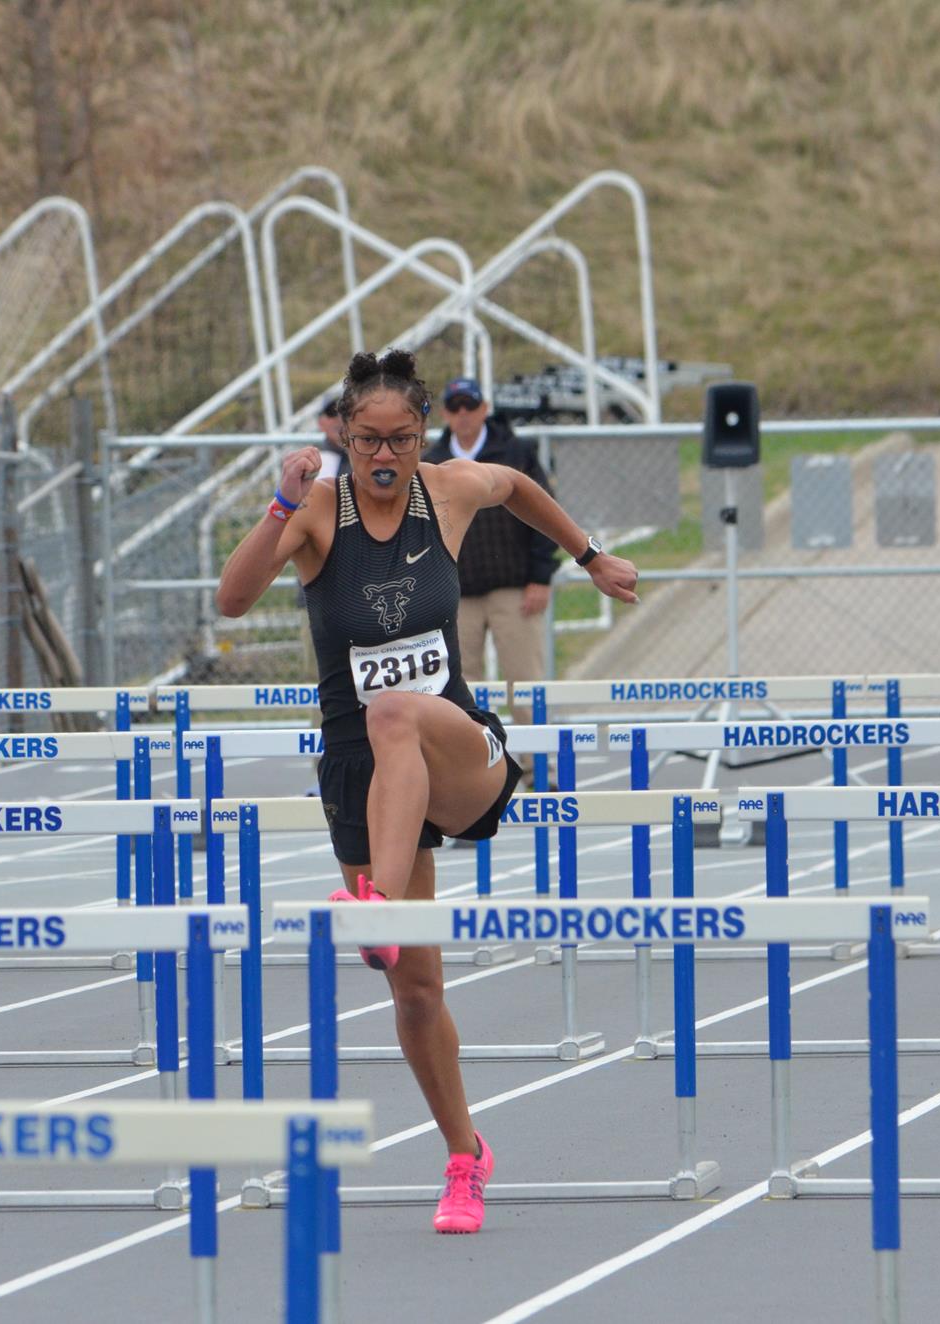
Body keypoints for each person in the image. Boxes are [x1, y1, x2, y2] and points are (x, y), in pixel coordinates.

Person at [215, 348, 639, 1234]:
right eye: (368, 438)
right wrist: (281, 504)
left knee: (400, 712)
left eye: (402, 439)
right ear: (340, 434)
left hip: (458, 755)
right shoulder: (315, 514)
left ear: (420, 439)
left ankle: (368, 903)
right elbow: (232, 600)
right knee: (414, 993)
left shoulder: (443, 490)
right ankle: (464, 1155)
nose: (385, 455)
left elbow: (517, 486)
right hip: (364, 780)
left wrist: (589, 555)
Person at [422, 376, 558, 686]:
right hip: (456, 593)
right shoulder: (432, 463)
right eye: (455, 408)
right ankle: (471, 737)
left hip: (514, 589)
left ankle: (534, 736)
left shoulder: (516, 452)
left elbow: (543, 512)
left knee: (525, 682)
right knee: (460, 686)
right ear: (445, 414)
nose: (463, 414)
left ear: (484, 408)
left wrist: (540, 577)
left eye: (470, 405)